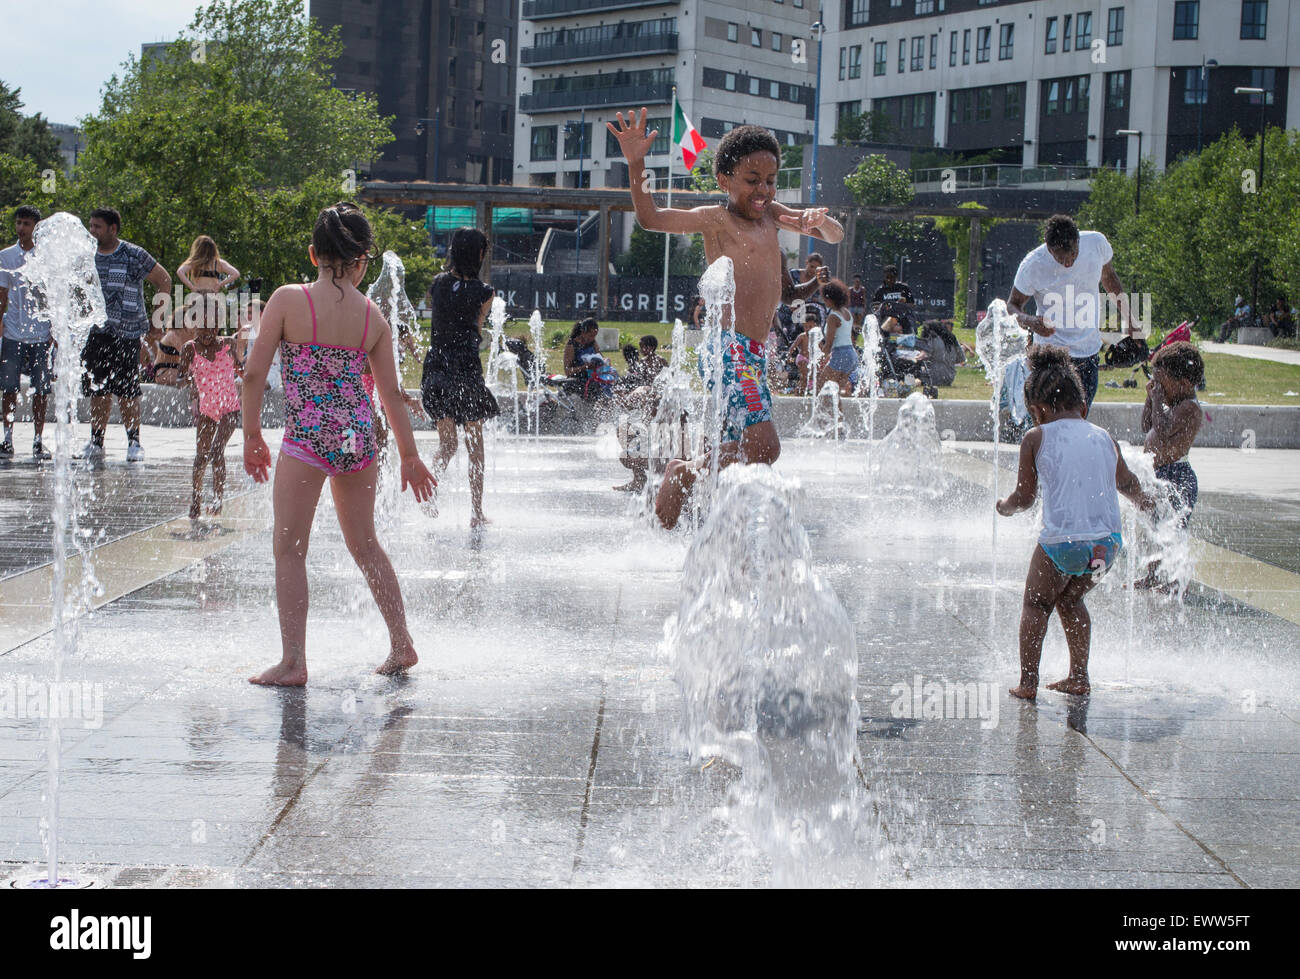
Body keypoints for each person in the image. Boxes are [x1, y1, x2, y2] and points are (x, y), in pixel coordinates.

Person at [607, 110, 844, 528]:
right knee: (765, 448)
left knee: (740, 449)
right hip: (727, 348)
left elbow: (835, 236)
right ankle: (683, 473)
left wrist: (819, 221)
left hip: (754, 353)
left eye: (770, 181)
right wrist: (637, 162)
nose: (763, 190)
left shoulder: (773, 214)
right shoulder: (716, 219)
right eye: (752, 180)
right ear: (724, 180)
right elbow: (651, 218)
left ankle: (685, 501)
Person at [241, 202, 436, 686]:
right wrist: (410, 457)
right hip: (357, 439)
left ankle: (293, 662)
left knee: (289, 549)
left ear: (313, 254)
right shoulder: (374, 317)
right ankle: (401, 642)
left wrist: (251, 435)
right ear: (363, 260)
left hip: (306, 438)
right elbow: (391, 394)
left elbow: (252, 373)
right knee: (367, 544)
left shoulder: (288, 300)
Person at [997, 346, 1151, 700]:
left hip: (1062, 546)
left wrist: (1004, 507)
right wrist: (1144, 502)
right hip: (1105, 547)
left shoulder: (1036, 437)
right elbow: (1126, 482)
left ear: (1036, 411)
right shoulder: (1104, 436)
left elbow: (1025, 498)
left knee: (1036, 605)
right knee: (1070, 601)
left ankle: (1028, 683)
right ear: (1083, 407)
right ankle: (1079, 677)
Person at [1008, 214, 1139, 408]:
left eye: (1073, 254)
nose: (1068, 262)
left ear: (1078, 240)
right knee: (1046, 416)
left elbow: (1110, 278)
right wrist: (1030, 321)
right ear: (1049, 249)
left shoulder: (1095, 243)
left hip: (1088, 352)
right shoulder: (1033, 265)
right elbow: (1012, 306)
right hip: (1049, 354)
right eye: (1060, 258)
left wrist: (1130, 318)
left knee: (1080, 417)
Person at [79, 208, 172, 463]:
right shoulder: (87, 255)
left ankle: (134, 442)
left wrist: (156, 322)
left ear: (113, 229)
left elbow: (164, 280)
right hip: (96, 332)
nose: (93, 231)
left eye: (98, 227)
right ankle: (96, 442)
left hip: (128, 333)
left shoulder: (133, 254)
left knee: (128, 390)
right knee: (98, 389)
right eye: (91, 226)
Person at [421, 226, 499, 529]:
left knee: (448, 444)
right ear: (478, 254)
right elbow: (477, 330)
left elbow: (438, 318)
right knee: (474, 446)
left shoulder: (437, 284)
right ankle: (476, 512)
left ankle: (428, 493)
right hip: (466, 369)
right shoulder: (485, 292)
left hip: (437, 367)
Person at [1135, 342, 1204, 591]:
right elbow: (1146, 426)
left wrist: (1157, 399)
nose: (1160, 389)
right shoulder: (1168, 402)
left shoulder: (1190, 408)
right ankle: (1152, 574)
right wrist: (1149, 398)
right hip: (1158, 474)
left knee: (1174, 529)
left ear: (1184, 384)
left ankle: (1177, 580)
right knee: (1153, 527)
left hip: (1178, 476)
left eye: (1163, 384)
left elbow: (1162, 431)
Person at [0, 206, 53, 460]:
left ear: (36, 227)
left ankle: (38, 440)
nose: (21, 228)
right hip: (13, 332)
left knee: (41, 390)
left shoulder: (47, 257)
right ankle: (7, 438)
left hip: (41, 335)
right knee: (9, 388)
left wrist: (54, 329)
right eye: (19, 223)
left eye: (26, 224)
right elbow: (2, 296)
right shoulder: (6, 256)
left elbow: (53, 297)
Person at [179, 314, 243, 525]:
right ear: (194, 328)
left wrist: (251, 377)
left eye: (212, 329)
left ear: (218, 327)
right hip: (207, 408)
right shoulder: (190, 348)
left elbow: (241, 369)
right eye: (202, 329)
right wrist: (192, 386)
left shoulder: (228, 344)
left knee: (217, 450)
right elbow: (181, 376)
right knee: (201, 456)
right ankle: (196, 499)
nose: (207, 334)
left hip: (230, 408)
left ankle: (218, 499)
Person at [819, 278, 859, 396]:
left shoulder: (833, 316)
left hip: (840, 354)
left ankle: (828, 414)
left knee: (821, 388)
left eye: (825, 298)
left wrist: (821, 349)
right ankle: (839, 415)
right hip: (851, 354)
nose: (824, 301)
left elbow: (829, 344)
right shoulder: (847, 312)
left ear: (830, 299)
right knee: (835, 393)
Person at [872, 265, 917, 335]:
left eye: (892, 277)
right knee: (886, 321)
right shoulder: (880, 290)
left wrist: (903, 304)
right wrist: (883, 307)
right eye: (887, 277)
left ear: (896, 277)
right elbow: (875, 307)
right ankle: (885, 340)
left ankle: (908, 337)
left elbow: (912, 305)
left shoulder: (903, 288)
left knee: (905, 320)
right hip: (886, 318)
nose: (889, 280)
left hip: (902, 317)